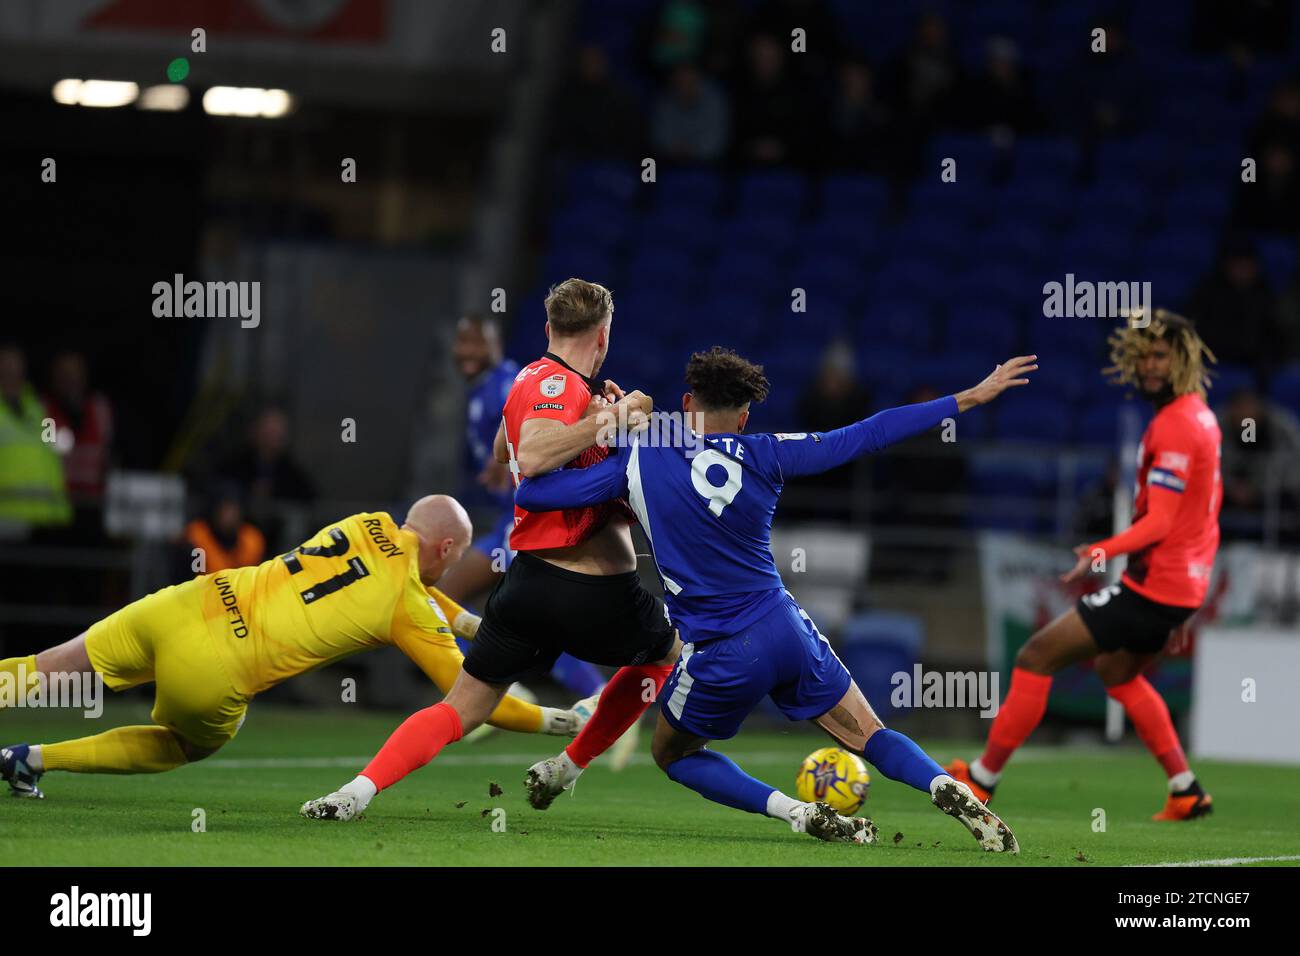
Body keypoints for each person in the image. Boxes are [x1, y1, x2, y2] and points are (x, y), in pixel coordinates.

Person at [514, 347, 1036, 851]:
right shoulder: (769, 452)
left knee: (672, 753)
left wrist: (594, 434)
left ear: (687, 401)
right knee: (872, 734)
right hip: (787, 628)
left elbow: (535, 494)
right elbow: (869, 434)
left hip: (721, 649)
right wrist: (968, 397)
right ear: (743, 418)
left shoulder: (637, 462)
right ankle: (949, 786)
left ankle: (796, 811)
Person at [300, 279, 678, 822]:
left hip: (528, 587)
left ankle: (355, 792)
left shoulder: (527, 378)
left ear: (550, 329)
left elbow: (506, 450)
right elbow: (535, 450)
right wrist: (607, 420)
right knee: (672, 656)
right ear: (603, 335)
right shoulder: (559, 382)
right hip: (595, 588)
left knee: (460, 709)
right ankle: (570, 764)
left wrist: (597, 421)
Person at [0, 496, 587, 799]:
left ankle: (22, 744)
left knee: (49, 668)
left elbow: (412, 586)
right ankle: (36, 758)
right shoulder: (405, 607)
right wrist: (563, 723)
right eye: (455, 559)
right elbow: (479, 703)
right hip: (218, 667)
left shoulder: (367, 523)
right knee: (185, 746)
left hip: (185, 603)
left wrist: (466, 622)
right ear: (448, 547)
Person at [948, 311, 1221, 822]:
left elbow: (1161, 521)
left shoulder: (1178, 425)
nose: (1150, 366)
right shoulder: (1200, 415)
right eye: (1144, 356)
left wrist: (1104, 549)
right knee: (1116, 671)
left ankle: (981, 781)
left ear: (1184, 359)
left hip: (1155, 586)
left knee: (1036, 655)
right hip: (1184, 586)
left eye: (1162, 355)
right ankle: (1185, 789)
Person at [437, 314, 609, 730]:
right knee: (524, 619)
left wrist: (514, 460)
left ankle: (573, 695)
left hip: (527, 520)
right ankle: (583, 696)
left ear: (497, 346)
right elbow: (504, 447)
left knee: (450, 595)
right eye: (462, 344)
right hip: (508, 518)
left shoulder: (515, 381)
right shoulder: (485, 389)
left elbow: (534, 441)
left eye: (477, 343)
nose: (467, 352)